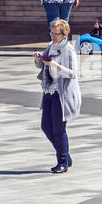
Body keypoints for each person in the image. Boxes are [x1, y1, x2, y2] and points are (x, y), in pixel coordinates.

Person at [36, 18, 81, 173]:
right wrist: (38, 59)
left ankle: (62, 162)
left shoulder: (68, 49)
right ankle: (66, 156)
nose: (53, 36)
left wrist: (55, 65)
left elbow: (73, 73)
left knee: (58, 129)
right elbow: (42, 65)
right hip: (49, 90)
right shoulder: (50, 46)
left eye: (57, 34)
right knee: (45, 126)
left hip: (62, 94)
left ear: (64, 35)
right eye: (52, 33)